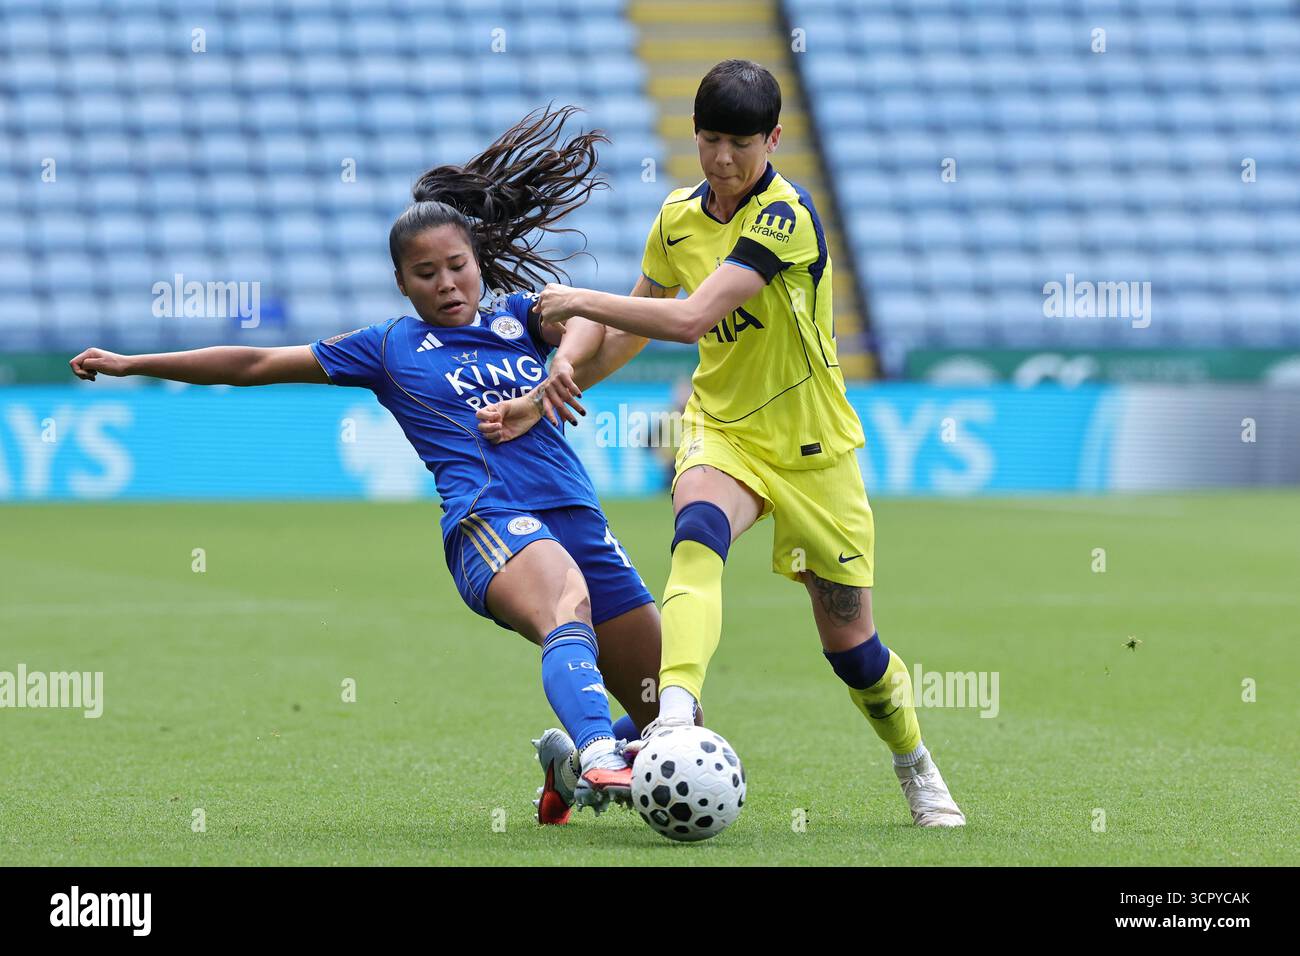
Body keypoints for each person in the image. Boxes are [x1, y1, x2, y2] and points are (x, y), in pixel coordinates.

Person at [68, 106, 666, 825]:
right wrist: (136, 361)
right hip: (491, 521)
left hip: (578, 516)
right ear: (402, 284)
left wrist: (554, 375)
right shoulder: (387, 347)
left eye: (457, 266)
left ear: (476, 262)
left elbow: (590, 316)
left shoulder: (519, 318)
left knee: (665, 715)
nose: (447, 284)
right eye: (426, 274)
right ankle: (598, 751)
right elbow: (257, 360)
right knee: (563, 604)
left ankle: (570, 764)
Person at [498, 62, 965, 826]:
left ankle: (913, 762)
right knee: (697, 534)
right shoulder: (677, 218)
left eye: (740, 143)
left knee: (853, 650)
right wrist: (558, 383)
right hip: (722, 429)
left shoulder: (786, 216)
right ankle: (675, 710)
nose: (722, 159)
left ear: (773, 139)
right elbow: (631, 331)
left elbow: (686, 320)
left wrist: (575, 297)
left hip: (816, 450)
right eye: (710, 140)